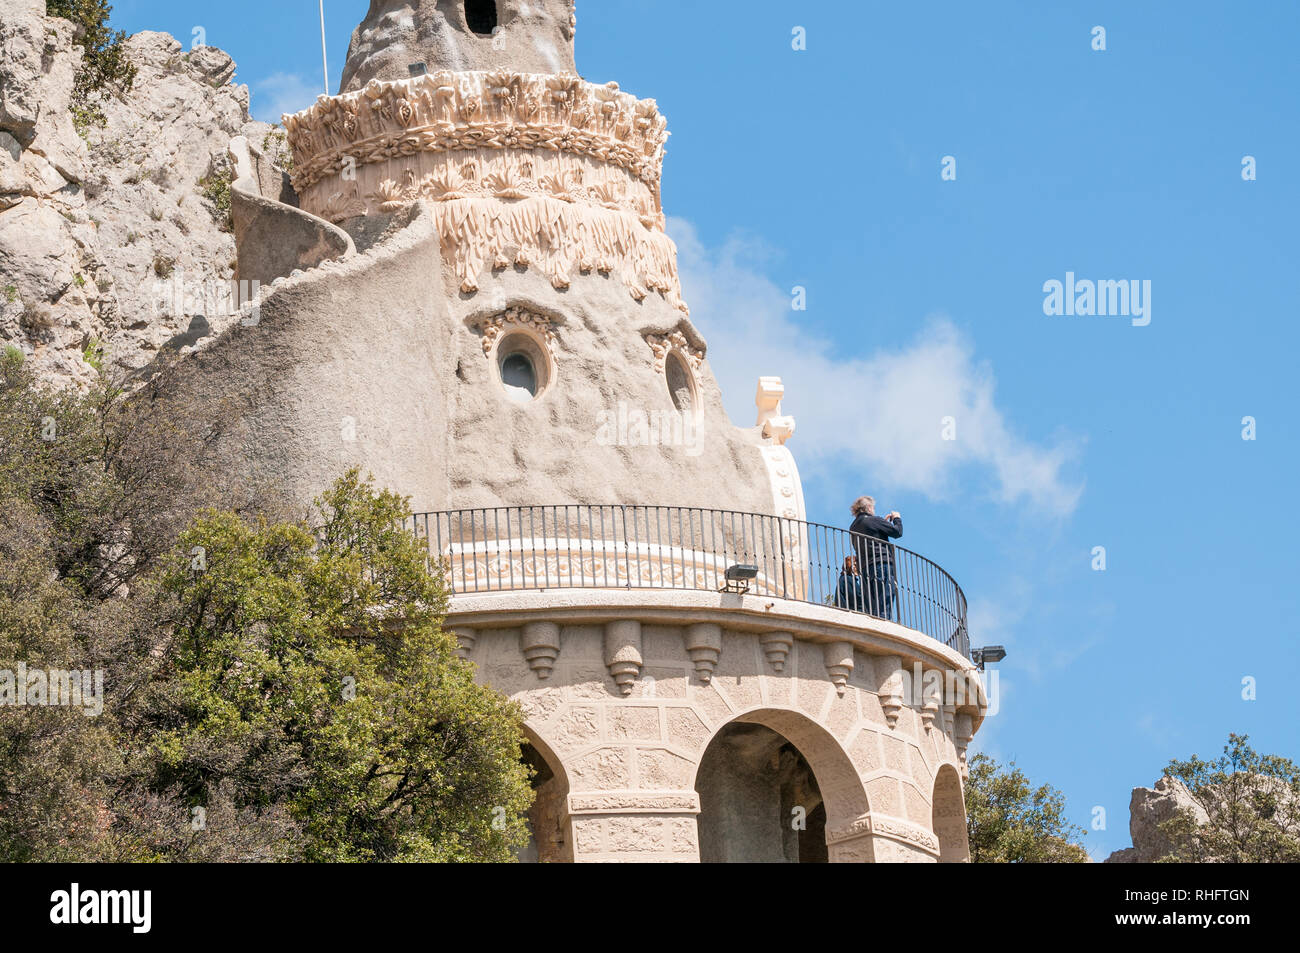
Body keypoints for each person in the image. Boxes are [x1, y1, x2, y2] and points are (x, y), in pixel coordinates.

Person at [849, 496, 902, 620]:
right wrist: (897, 519)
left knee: (872, 601)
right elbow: (898, 532)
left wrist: (881, 524)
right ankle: (884, 622)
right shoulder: (873, 520)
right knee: (885, 596)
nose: (873, 510)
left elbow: (871, 532)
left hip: (865, 567)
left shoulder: (853, 527)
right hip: (881, 563)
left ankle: (875, 621)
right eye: (873, 507)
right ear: (868, 507)